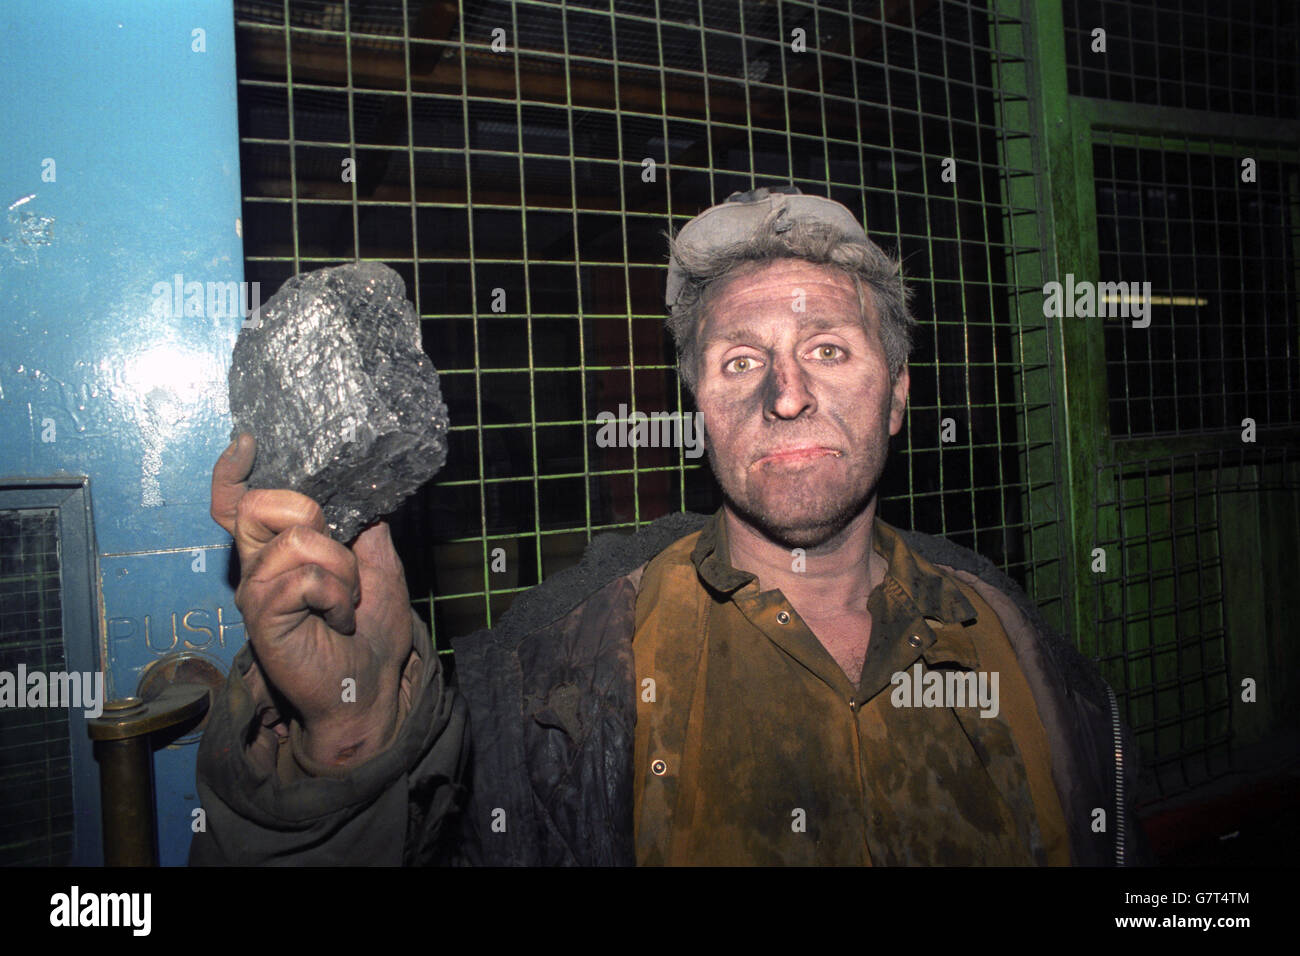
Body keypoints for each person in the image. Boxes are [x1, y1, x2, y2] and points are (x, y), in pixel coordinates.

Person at [192, 186, 1152, 866]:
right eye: (741, 361)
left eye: (828, 349)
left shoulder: (1029, 659)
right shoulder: (549, 680)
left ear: (898, 395)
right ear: (696, 406)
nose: (786, 395)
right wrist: (352, 733)